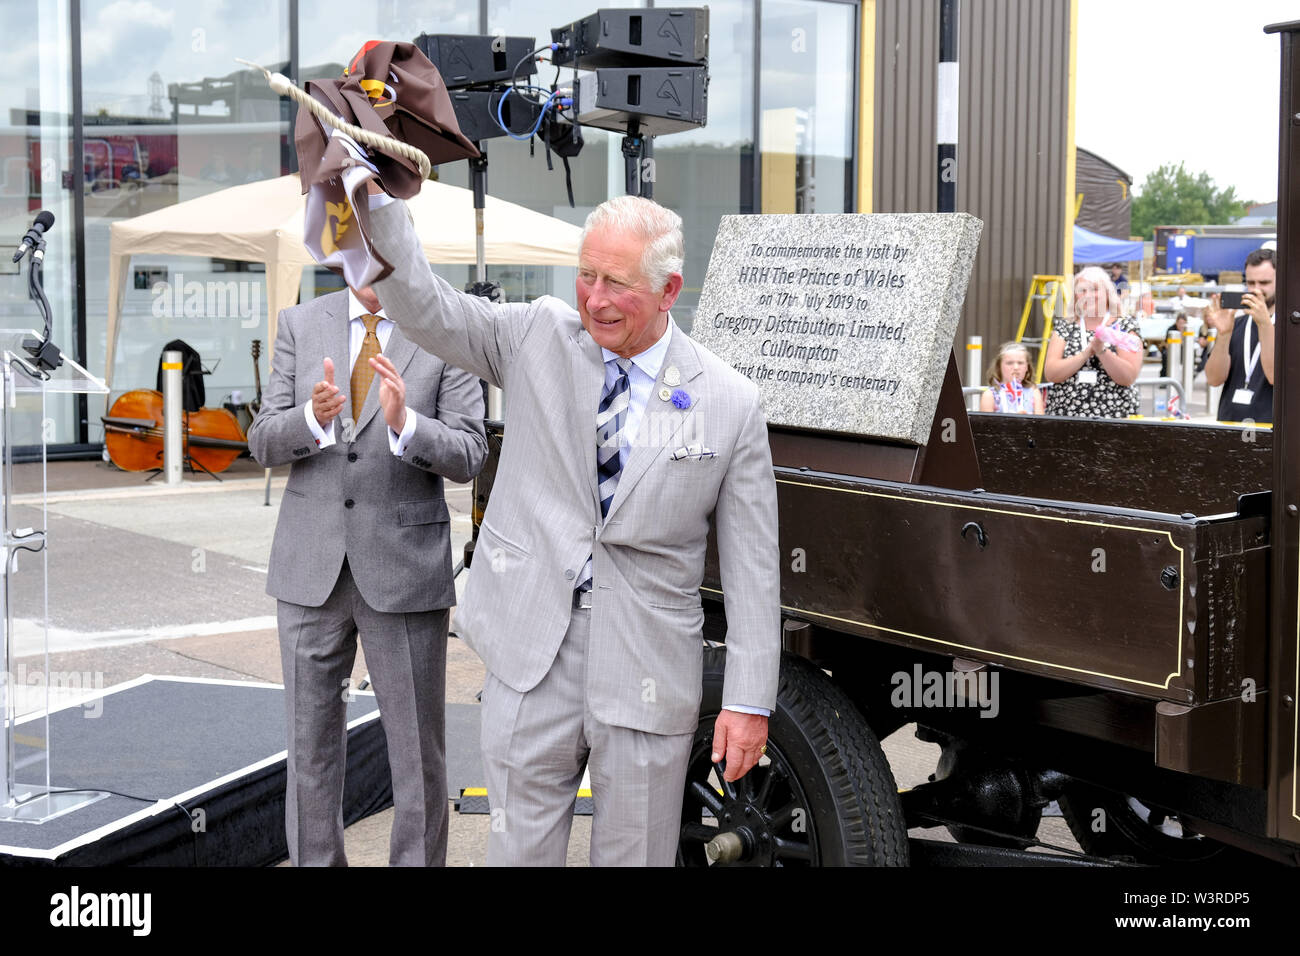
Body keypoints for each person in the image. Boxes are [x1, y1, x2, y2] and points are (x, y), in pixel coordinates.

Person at [366, 187, 781, 867]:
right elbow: (425, 308)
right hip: (530, 653)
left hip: (648, 666)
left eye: (617, 283)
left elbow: (754, 570)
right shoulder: (534, 335)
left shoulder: (730, 403)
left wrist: (748, 702)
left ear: (669, 289)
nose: (594, 299)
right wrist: (376, 197)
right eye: (586, 275)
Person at [247, 283, 487, 866]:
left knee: (417, 758)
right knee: (309, 752)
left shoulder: (444, 326)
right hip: (310, 569)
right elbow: (261, 441)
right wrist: (311, 418)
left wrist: (407, 424)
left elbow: (471, 453)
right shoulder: (300, 322)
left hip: (404, 572)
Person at [1043, 266, 1143, 418]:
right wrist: (1085, 354)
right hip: (1066, 417)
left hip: (1114, 418)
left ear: (1108, 293)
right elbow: (1051, 373)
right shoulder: (1065, 326)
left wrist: (1102, 351)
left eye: (1095, 289)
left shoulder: (1124, 326)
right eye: (1082, 290)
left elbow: (1128, 377)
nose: (1088, 295)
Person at [1204, 247, 1276, 424]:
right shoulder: (1236, 324)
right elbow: (1214, 379)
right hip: (1229, 426)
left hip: (1272, 430)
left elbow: (1275, 376)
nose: (1256, 290)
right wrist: (1224, 335)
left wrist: (1265, 324)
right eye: (1251, 283)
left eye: (1264, 283)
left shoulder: (1291, 328)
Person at [979, 342, 1044, 414]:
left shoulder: (1033, 392)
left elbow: (1040, 422)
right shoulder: (990, 395)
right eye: (1009, 363)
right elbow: (986, 424)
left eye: (1020, 363)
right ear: (999, 367)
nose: (1016, 367)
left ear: (1027, 367)